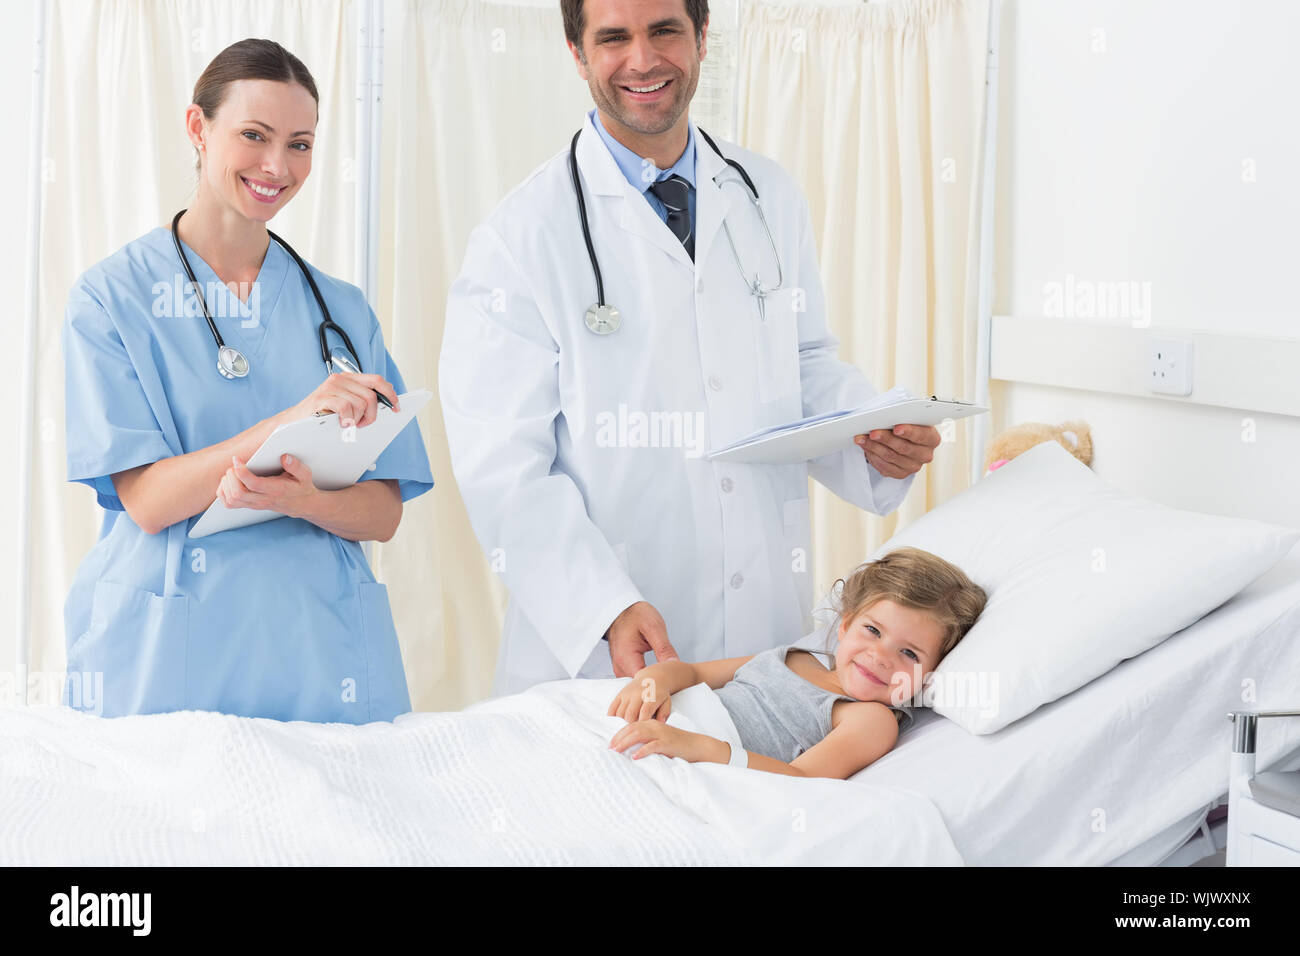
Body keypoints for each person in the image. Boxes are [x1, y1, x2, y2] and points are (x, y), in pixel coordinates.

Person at [439, 0, 941, 697]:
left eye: (664, 30)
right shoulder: (520, 236)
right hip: (607, 650)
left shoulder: (768, 195)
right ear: (577, 53)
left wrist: (874, 431)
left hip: (760, 635)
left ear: (703, 37)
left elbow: (803, 363)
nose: (643, 61)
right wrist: (601, 604)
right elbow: (502, 469)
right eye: (613, 38)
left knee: (757, 792)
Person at [62, 38, 433, 723]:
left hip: (319, 649)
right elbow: (145, 500)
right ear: (198, 129)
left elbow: (384, 511)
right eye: (254, 136)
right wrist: (286, 425)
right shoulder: (111, 298)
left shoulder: (341, 311)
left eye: (300, 143)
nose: (277, 166)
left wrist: (300, 500)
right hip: (174, 647)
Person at [606, 547, 987, 778]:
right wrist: (653, 679)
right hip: (658, 717)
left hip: (690, 749)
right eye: (872, 630)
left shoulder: (869, 718)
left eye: (909, 653)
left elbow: (799, 778)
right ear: (847, 623)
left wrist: (697, 747)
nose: (880, 656)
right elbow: (692, 672)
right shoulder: (796, 657)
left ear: (932, 671)